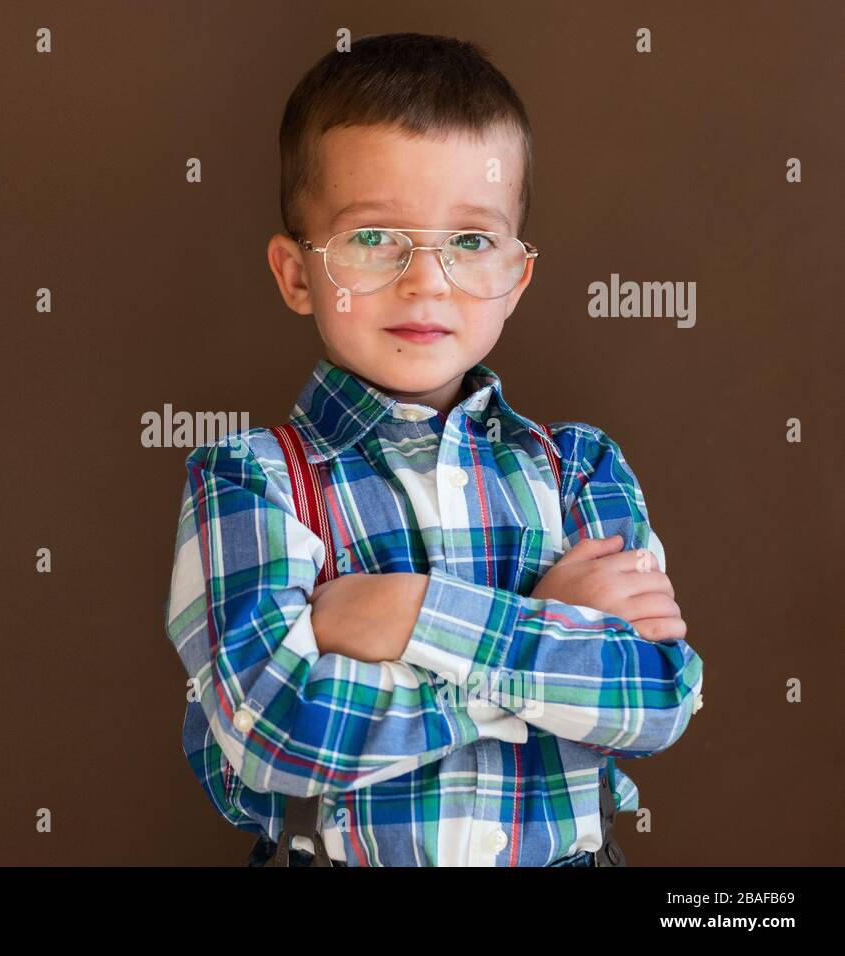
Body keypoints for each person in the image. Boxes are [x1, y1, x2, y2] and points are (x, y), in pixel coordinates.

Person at [162, 32, 704, 866]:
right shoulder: (249, 480)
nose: (427, 280)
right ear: (297, 273)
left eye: (472, 242)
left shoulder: (580, 469)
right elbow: (275, 731)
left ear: (516, 277)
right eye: (374, 238)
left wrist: (401, 612)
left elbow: (654, 698)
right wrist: (541, 634)